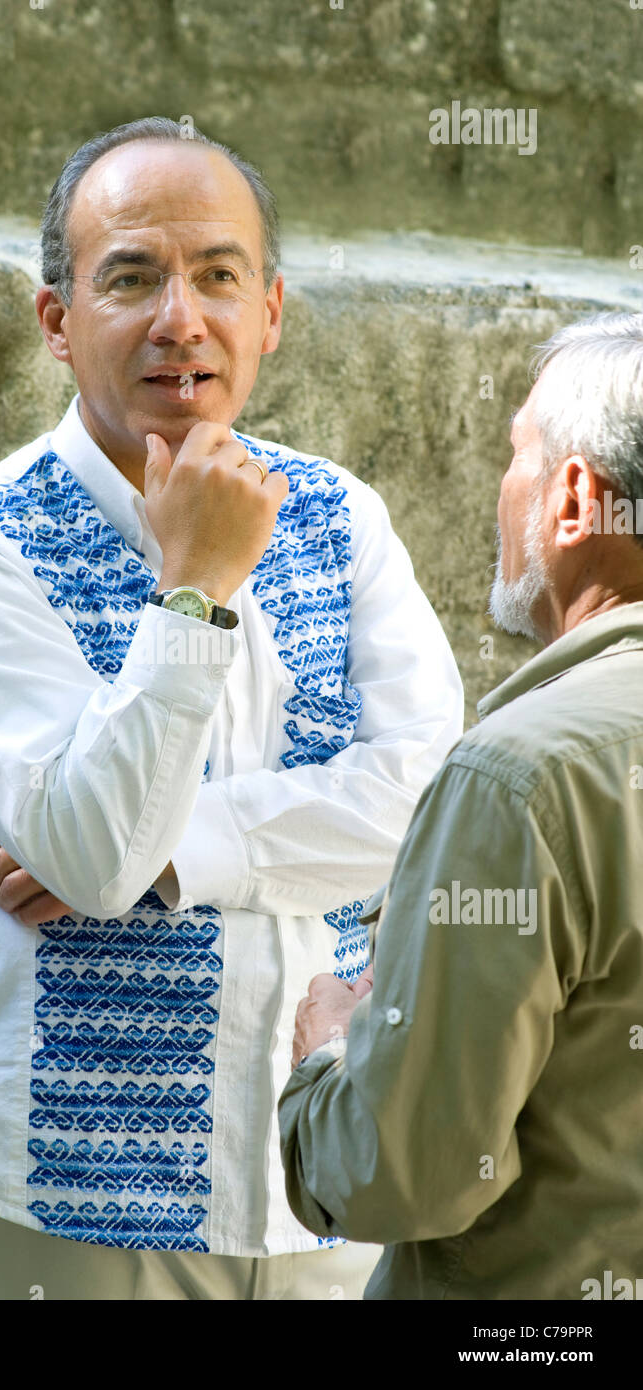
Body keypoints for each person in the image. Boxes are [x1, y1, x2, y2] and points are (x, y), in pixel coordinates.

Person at [0, 116, 463, 1301]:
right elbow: (92, 854)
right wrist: (194, 588)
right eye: (131, 278)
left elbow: (423, 803)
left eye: (218, 277)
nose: (179, 319)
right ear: (57, 320)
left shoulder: (340, 516)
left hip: (312, 1184)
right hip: (58, 1200)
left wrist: (175, 850)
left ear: (271, 311)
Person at [280, 310, 643, 1300]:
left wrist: (331, 1052)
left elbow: (400, 1173)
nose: (504, 485)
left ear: (575, 499)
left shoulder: (520, 776)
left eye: (518, 453)